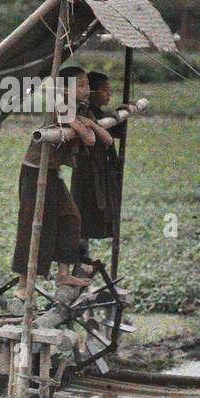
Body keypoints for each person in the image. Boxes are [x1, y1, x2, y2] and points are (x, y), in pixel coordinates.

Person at [11, 66, 109, 295]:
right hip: (35, 171)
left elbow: (104, 139)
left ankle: (64, 275)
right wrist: (85, 124)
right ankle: (23, 286)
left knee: (70, 217)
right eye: (81, 85)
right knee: (32, 227)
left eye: (87, 85)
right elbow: (90, 139)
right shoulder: (62, 106)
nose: (87, 90)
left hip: (52, 172)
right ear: (65, 90)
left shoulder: (79, 108)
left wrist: (89, 122)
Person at [70, 71, 123, 262]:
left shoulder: (94, 113)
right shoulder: (81, 112)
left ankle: (83, 259)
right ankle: (80, 259)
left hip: (99, 171)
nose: (108, 94)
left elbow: (114, 130)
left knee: (92, 215)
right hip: (87, 172)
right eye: (105, 91)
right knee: (82, 215)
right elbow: (102, 138)